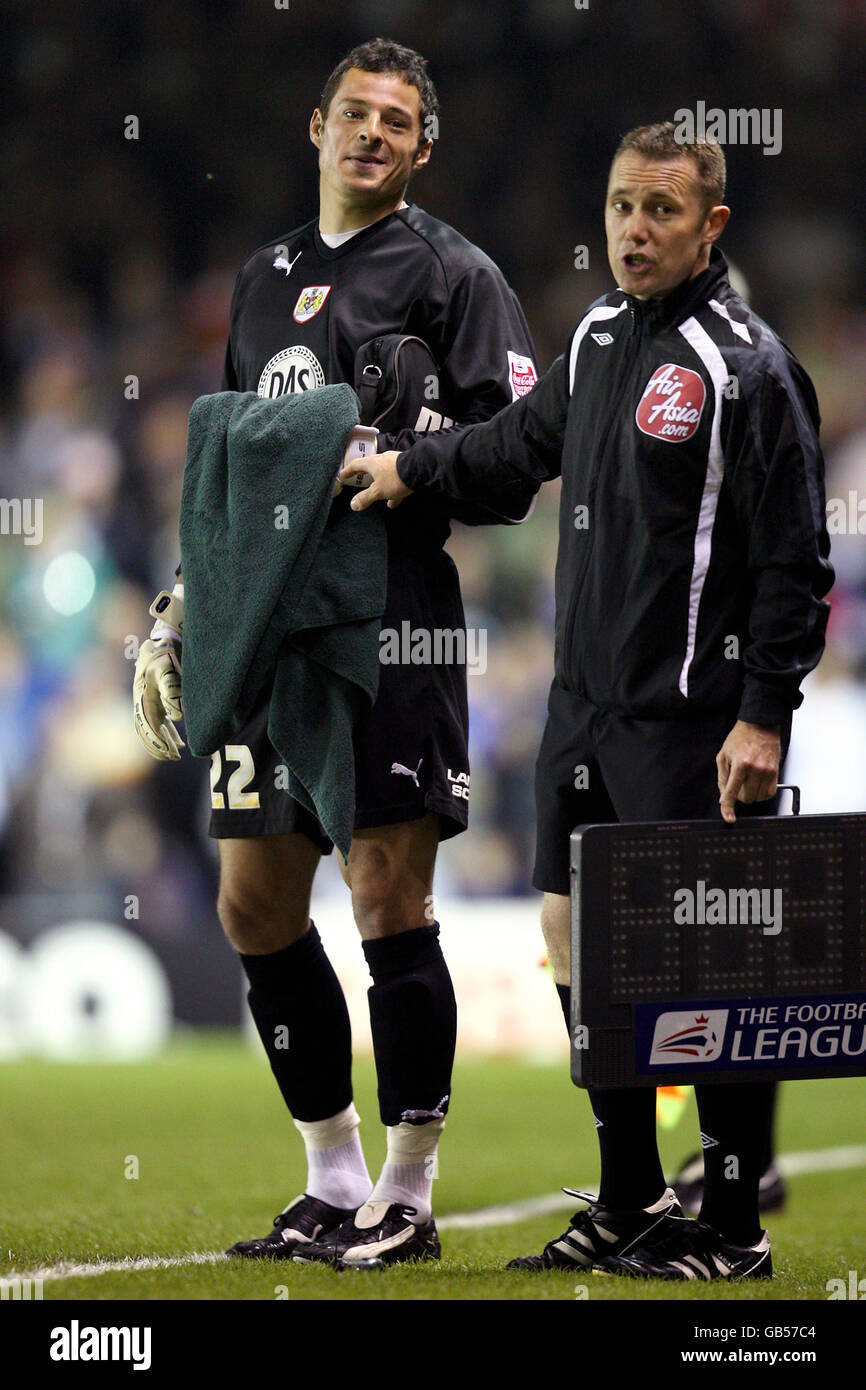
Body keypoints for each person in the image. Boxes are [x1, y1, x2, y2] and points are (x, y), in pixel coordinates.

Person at [342, 121, 833, 1280]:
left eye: (660, 210)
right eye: (619, 206)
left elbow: (794, 561)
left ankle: (729, 1228)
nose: (632, 230)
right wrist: (408, 466)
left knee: (706, 975)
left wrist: (762, 712)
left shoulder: (746, 364)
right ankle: (623, 1202)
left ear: (710, 225)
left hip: (692, 723)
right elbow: (511, 448)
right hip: (581, 715)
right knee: (577, 953)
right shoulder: (601, 337)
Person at [133, 38, 539, 1270]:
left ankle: (408, 1195)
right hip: (265, 617)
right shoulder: (259, 278)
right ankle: (330, 1177)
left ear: (424, 146)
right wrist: (186, 597)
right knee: (252, 903)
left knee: (384, 893)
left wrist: (408, 464)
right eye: (353, 114)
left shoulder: (457, 274)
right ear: (314, 127)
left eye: (396, 120)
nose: (371, 133)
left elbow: (518, 453)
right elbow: (232, 466)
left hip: (389, 610)